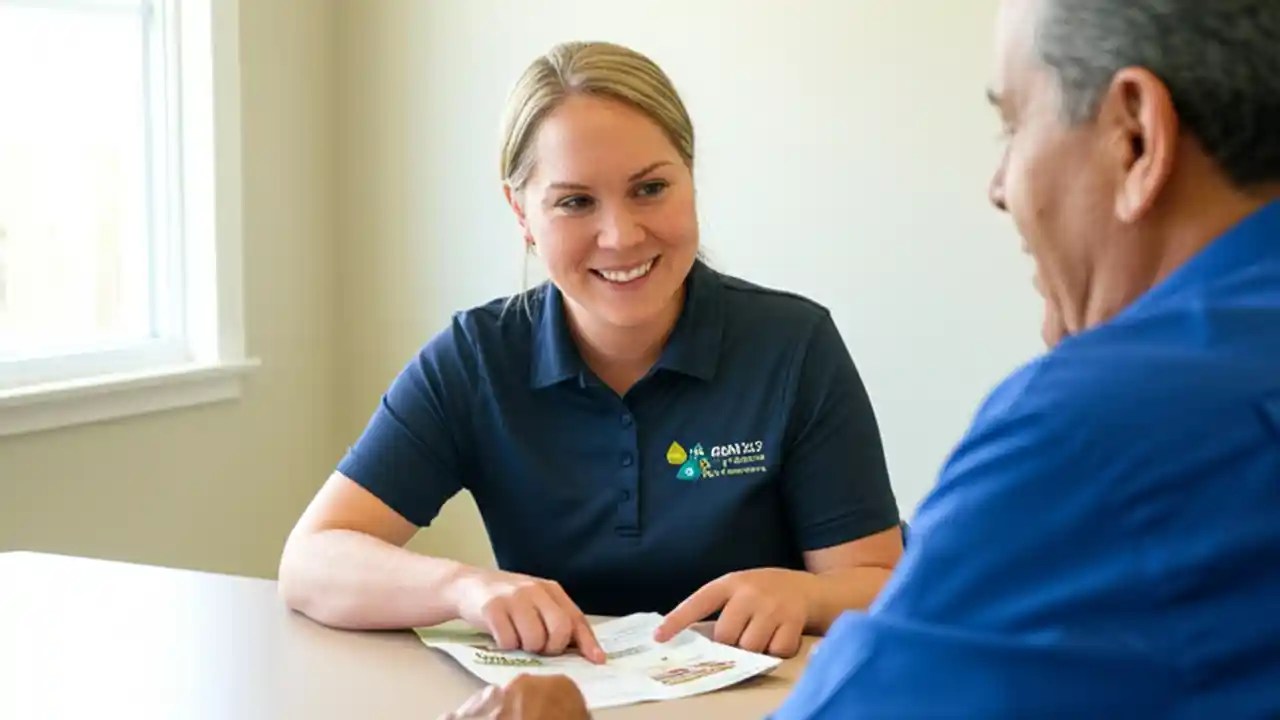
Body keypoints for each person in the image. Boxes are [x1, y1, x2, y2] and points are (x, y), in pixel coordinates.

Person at [440, 0, 1280, 716]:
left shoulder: (1095, 434)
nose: (998, 184)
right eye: (576, 201)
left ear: (1136, 139)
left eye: (1014, 123)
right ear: (523, 213)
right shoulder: (479, 349)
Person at [278, 40, 904, 662]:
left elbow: (881, 582)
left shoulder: (793, 345)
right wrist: (463, 588)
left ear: (691, 177)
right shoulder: (476, 362)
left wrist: (800, 594)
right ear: (521, 212)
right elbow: (310, 561)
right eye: (575, 202)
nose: (621, 236)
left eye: (651, 189)